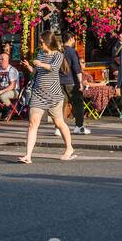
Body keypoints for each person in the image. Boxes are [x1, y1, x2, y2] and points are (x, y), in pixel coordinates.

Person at [18, 31, 75, 163]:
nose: (40, 44)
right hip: (38, 94)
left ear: (48, 42)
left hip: (53, 96)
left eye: (42, 42)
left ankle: (69, 148)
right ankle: (28, 155)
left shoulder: (58, 55)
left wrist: (40, 64)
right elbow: (37, 72)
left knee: (59, 123)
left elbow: (53, 68)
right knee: (32, 124)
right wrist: (30, 68)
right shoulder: (40, 54)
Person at [59, 33, 91, 134]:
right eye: (74, 39)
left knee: (60, 105)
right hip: (71, 82)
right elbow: (77, 69)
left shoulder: (58, 51)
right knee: (78, 104)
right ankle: (79, 127)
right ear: (71, 38)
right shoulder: (72, 52)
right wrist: (81, 82)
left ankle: (58, 128)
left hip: (59, 81)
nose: (74, 41)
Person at [0, 51, 20, 116]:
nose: (0, 61)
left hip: (14, 91)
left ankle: (9, 110)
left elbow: (12, 86)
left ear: (7, 60)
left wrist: (0, 92)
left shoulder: (12, 70)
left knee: (3, 96)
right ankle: (0, 110)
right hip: (1, 90)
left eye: (2, 59)